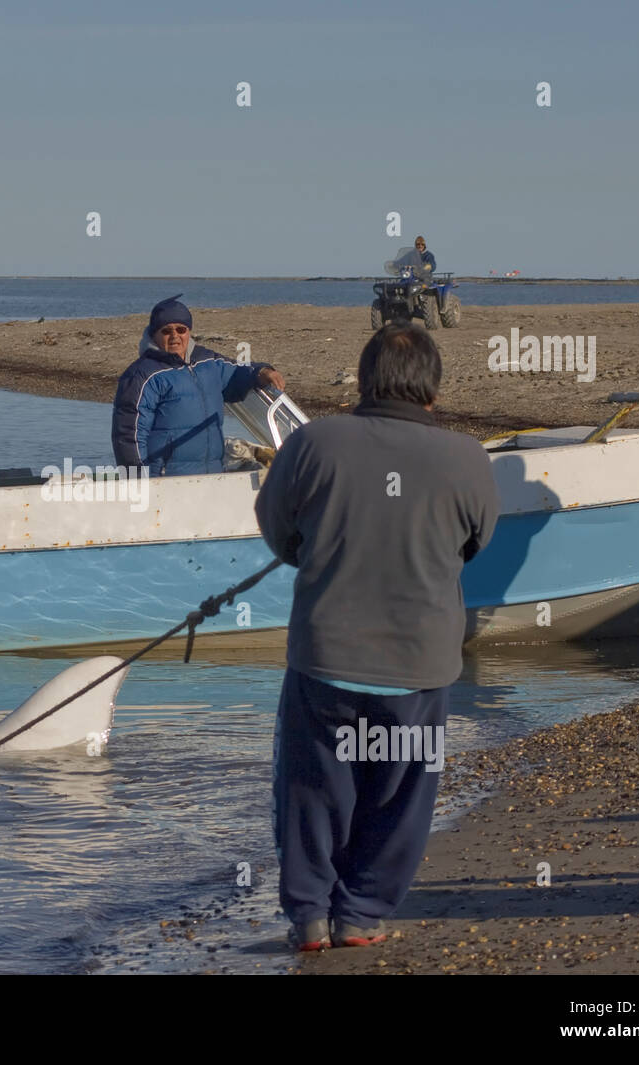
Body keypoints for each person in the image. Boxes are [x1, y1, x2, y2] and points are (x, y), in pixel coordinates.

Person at [254, 323, 499, 951]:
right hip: (419, 663)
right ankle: (359, 915)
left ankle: (309, 917)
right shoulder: (467, 457)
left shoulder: (313, 443)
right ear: (432, 390)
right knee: (399, 796)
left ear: (363, 381)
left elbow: (279, 533)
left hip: (326, 655)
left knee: (314, 793)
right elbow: (475, 542)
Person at [112, 295, 286, 476]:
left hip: (211, 475)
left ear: (189, 331)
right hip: (166, 481)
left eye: (181, 329)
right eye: (166, 331)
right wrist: (138, 481)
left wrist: (262, 372)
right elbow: (128, 435)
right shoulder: (141, 375)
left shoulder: (207, 361)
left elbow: (236, 372)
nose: (175, 336)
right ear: (154, 334)